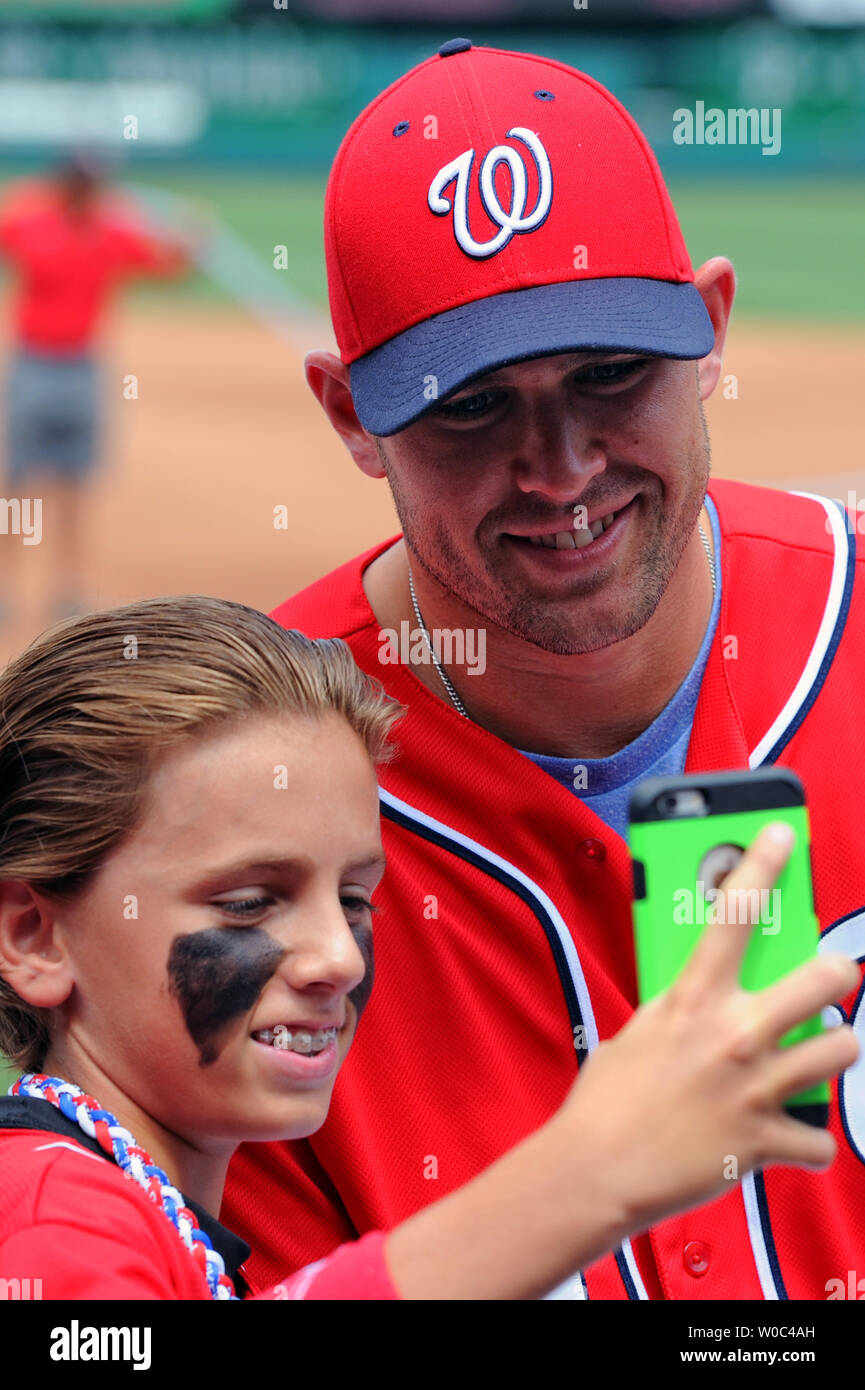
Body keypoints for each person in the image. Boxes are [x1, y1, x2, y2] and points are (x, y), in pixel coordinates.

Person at [222, 41, 865, 1300]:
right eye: (471, 406)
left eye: (609, 374)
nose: (560, 470)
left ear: (712, 324)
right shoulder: (233, 804)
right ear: (352, 414)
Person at [0, 596, 856, 1299]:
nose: (337, 956)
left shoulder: (136, 1212)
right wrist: (587, 1172)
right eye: (250, 902)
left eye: (352, 897)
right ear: (32, 936)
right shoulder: (49, 1215)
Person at [0, 154, 193, 627]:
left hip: (78, 367)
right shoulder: (43, 224)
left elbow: (173, 267)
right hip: (36, 365)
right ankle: (7, 590)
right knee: (19, 485)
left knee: (72, 485)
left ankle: (67, 592)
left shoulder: (107, 230)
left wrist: (187, 232)